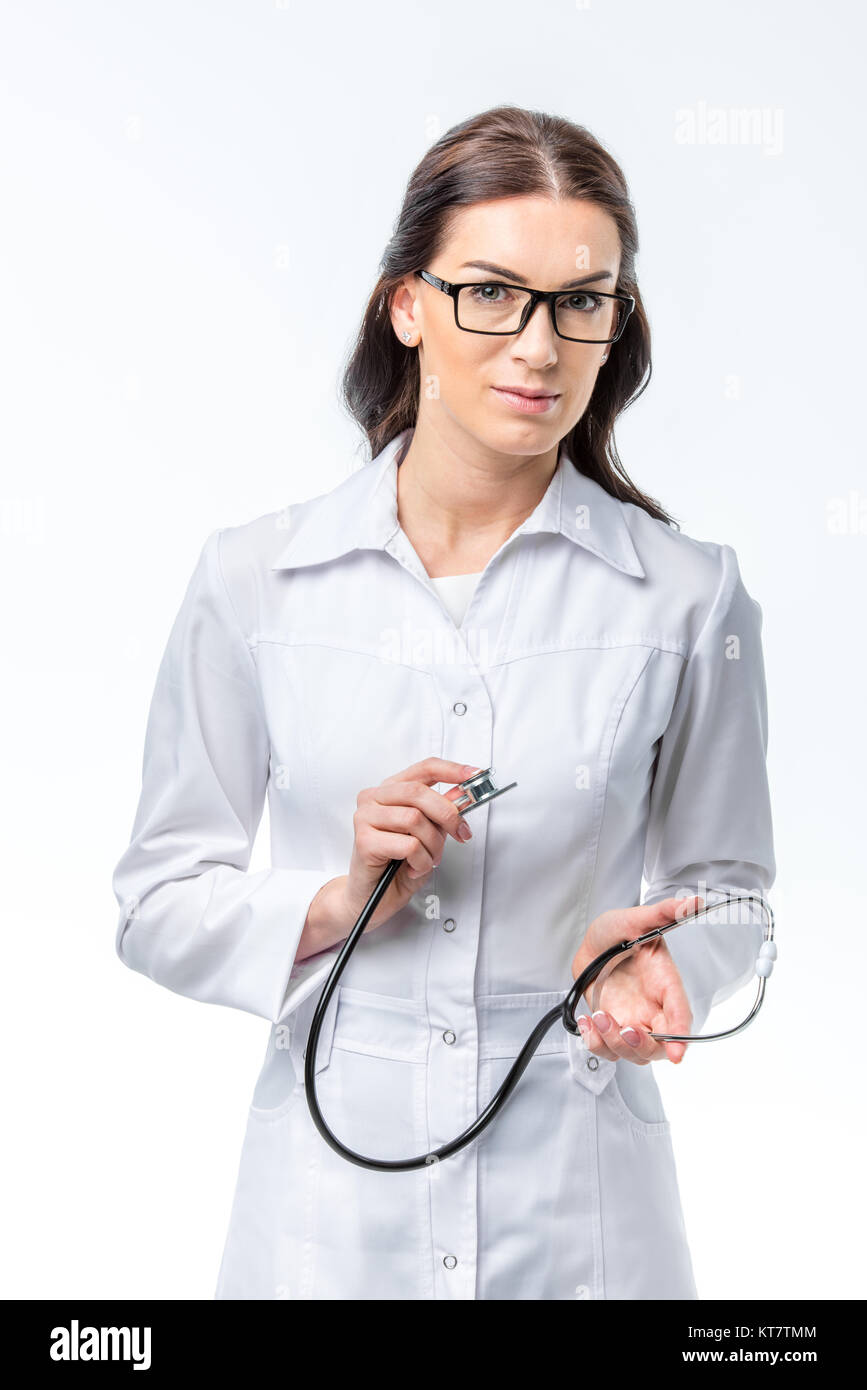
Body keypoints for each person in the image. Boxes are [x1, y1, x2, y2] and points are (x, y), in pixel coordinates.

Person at [112, 104, 775, 1301]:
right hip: (324, 1230)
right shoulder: (254, 580)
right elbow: (155, 899)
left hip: (584, 1228)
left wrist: (666, 963)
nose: (539, 345)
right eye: (492, 292)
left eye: (583, 301)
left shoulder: (690, 595)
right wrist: (333, 900)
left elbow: (736, 896)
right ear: (406, 304)